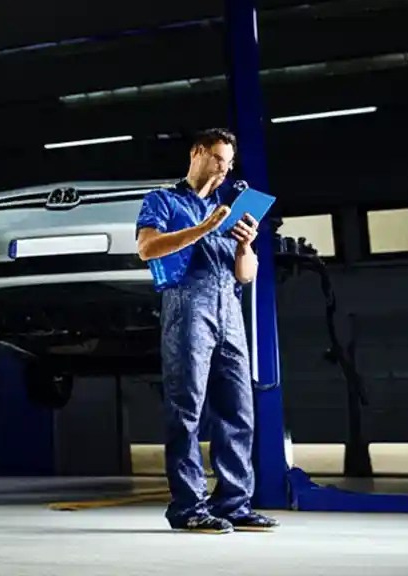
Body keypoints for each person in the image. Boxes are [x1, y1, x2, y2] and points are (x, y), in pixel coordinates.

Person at [135, 127, 279, 535]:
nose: (223, 169)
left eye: (229, 164)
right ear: (197, 152)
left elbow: (246, 277)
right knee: (187, 410)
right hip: (187, 306)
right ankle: (187, 508)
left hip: (228, 308)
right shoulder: (163, 200)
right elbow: (147, 248)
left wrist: (245, 244)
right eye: (218, 159)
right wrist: (204, 227)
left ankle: (233, 503)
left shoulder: (226, 209)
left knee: (238, 410)